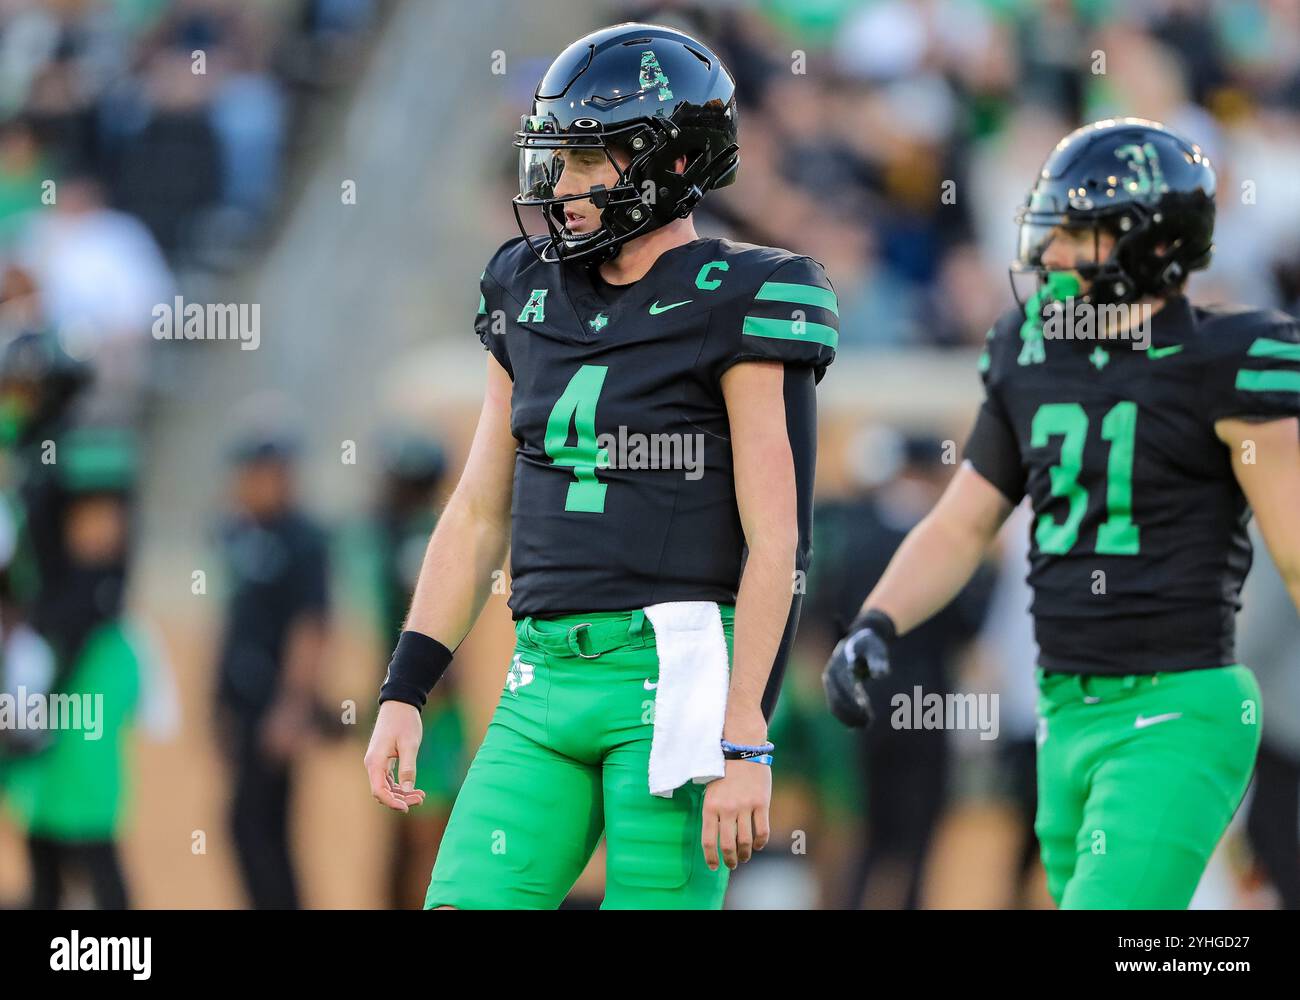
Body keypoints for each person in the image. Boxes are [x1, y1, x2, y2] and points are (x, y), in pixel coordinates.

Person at [363, 22, 837, 910]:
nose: (564, 187)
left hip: (676, 676)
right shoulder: (526, 287)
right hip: (540, 677)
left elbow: (779, 540)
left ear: (672, 163)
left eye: (589, 161)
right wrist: (405, 690)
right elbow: (475, 511)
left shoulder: (741, 295)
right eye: (559, 159)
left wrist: (746, 735)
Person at [823, 118, 1300, 909]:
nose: (1046, 254)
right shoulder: (1029, 348)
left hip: (1175, 707)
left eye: (1075, 232)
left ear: (1150, 243)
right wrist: (878, 619)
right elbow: (962, 520)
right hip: (1061, 712)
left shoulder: (1232, 359)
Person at [214, 431, 330, 910]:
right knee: (259, 828)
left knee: (253, 826)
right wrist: (218, 700)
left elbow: (311, 626)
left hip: (273, 708)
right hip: (242, 704)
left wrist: (291, 707)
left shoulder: (303, 540)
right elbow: (234, 622)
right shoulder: (238, 532)